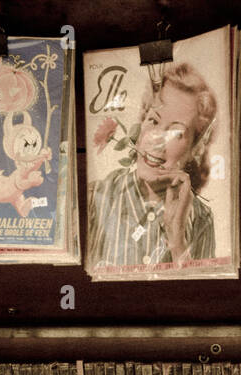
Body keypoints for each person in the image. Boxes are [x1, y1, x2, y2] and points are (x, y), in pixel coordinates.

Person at [87, 61, 218, 270]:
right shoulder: (95, 197)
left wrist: (178, 243)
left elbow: (199, 296)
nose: (157, 140)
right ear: (141, 121)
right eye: (154, 122)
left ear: (196, 148)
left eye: (176, 133)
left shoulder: (202, 219)